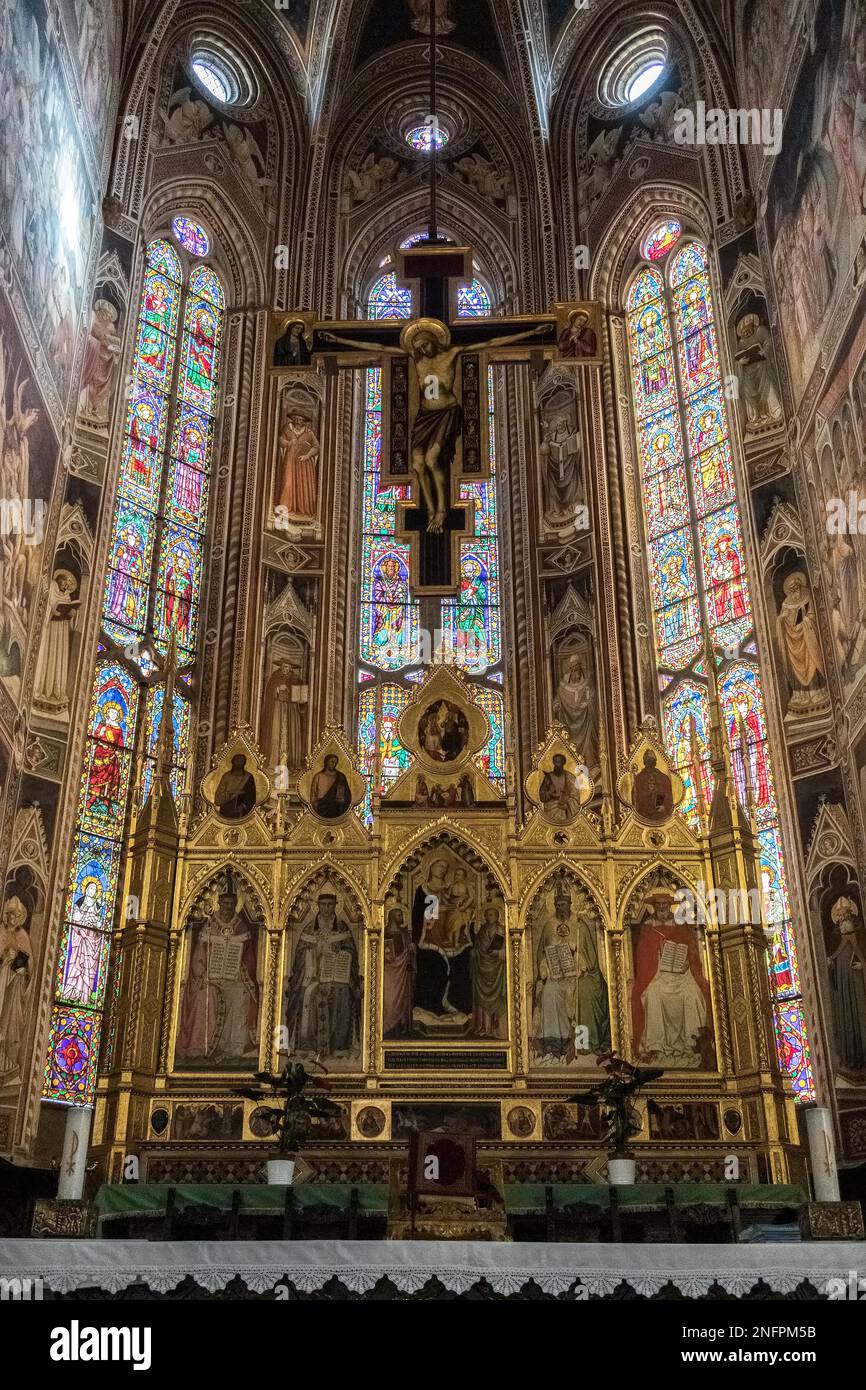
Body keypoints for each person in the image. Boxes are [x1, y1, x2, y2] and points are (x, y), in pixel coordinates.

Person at [321, 317, 546, 532]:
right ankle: (430, 508)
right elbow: (378, 347)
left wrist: (531, 333)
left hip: (447, 413)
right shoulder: (417, 358)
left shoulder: (452, 353)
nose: (422, 350)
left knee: (430, 459)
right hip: (425, 415)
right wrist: (339, 340)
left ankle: (440, 511)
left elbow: (489, 342)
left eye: (425, 345)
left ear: (435, 341)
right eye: (418, 347)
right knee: (417, 463)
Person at [176, 876, 260, 1065]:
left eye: (232, 903)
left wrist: (239, 969)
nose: (228, 907)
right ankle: (203, 1046)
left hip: (234, 975)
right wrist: (204, 974)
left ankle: (233, 1046)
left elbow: (249, 958)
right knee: (207, 995)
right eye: (225, 903)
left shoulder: (241, 926)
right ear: (219, 903)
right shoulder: (209, 925)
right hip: (210, 976)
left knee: (243, 994)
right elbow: (198, 957)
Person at [284, 892, 361, 1057]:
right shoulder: (309, 928)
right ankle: (308, 1046)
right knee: (307, 994)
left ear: (335, 906)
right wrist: (313, 951)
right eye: (323, 905)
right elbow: (299, 955)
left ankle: (339, 1047)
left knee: (343, 994)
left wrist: (341, 951)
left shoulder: (342, 927)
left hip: (336, 975)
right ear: (318, 906)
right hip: (312, 975)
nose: (326, 908)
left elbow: (352, 953)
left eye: (330, 905)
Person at [471, 905, 506, 1037]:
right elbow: (478, 947)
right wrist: (475, 953)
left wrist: (498, 953)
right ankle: (484, 1027)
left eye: (492, 914)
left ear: (498, 916)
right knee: (482, 1002)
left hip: (496, 969)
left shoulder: (500, 930)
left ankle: (495, 1028)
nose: (489, 917)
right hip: (482, 969)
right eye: (487, 914)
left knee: (497, 999)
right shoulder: (482, 930)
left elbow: (502, 949)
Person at [383, 906, 414, 1038]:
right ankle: (388, 1027)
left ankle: (400, 1028)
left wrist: (412, 950)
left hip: (402, 974)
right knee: (389, 1001)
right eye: (399, 915)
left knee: (403, 1000)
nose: (402, 918)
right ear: (391, 918)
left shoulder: (404, 933)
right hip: (389, 973)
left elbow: (409, 954)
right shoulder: (384, 933)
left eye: (401, 915)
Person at [631, 749, 674, 822]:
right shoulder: (638, 778)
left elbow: (669, 797)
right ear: (645, 762)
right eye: (648, 761)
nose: (650, 763)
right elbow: (634, 798)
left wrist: (664, 807)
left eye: (651, 761)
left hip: (661, 817)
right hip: (643, 816)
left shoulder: (663, 778)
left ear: (655, 762)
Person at [539, 753, 583, 822]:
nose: (557, 765)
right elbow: (542, 793)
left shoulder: (569, 777)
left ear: (563, 763)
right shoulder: (548, 777)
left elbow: (575, 795)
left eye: (559, 762)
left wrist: (566, 800)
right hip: (551, 808)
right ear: (553, 762)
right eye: (556, 762)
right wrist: (549, 793)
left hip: (565, 807)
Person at [214, 753, 257, 819]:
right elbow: (218, 798)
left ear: (244, 763)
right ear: (232, 762)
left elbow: (251, 796)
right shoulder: (226, 776)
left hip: (242, 812)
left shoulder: (248, 777)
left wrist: (243, 807)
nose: (239, 763)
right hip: (226, 810)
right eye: (237, 761)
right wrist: (232, 792)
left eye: (241, 761)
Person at [310, 753, 351, 819]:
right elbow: (313, 794)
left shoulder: (340, 776)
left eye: (335, 762)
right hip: (321, 807)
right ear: (326, 762)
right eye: (332, 762)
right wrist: (315, 805)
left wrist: (342, 799)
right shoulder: (318, 776)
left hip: (336, 807)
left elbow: (346, 793)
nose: (334, 764)